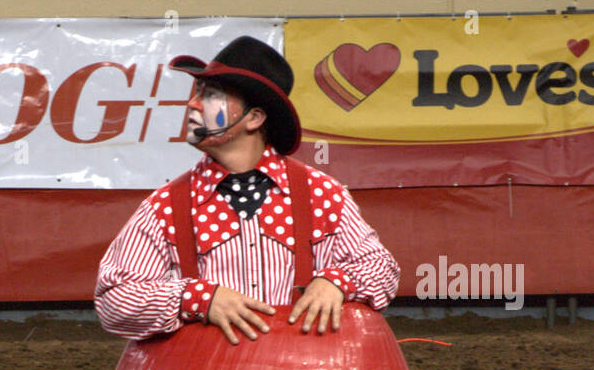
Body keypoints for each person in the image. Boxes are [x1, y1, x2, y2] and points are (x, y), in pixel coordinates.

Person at [95, 35, 399, 343]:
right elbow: (114, 300)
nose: (191, 104)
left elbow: (381, 268)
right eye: (197, 92)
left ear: (254, 118)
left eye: (211, 95)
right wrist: (196, 297)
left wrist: (337, 281)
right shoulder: (165, 207)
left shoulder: (321, 194)